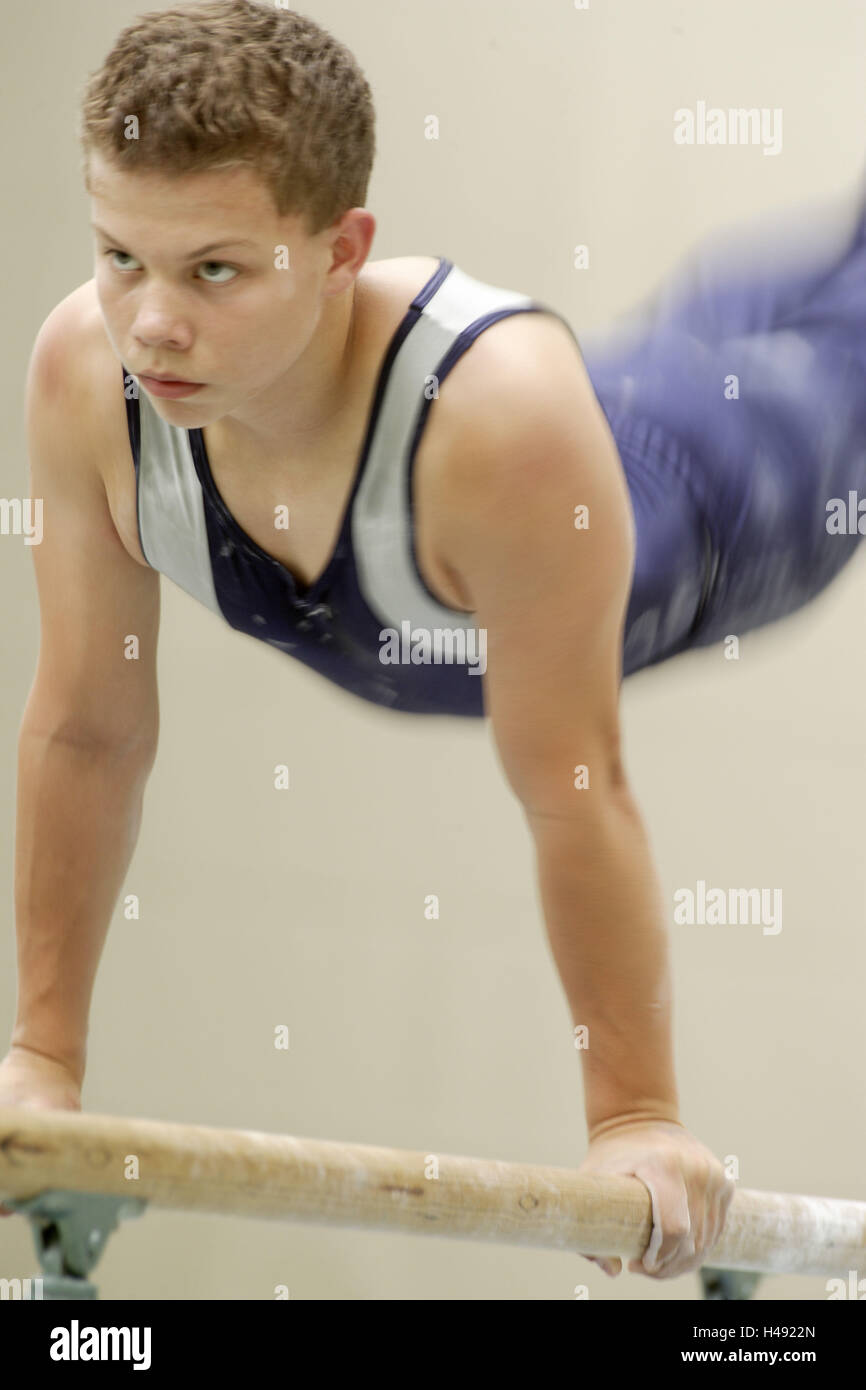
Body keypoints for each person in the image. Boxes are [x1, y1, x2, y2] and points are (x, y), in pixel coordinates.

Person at [3, 1, 864, 1288]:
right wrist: (42, 1064)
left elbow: (571, 787)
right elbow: (87, 726)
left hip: (718, 503)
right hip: (619, 398)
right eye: (120, 255)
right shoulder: (85, 373)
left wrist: (631, 1117)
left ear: (342, 247)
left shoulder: (493, 418)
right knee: (744, 303)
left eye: (214, 270)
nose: (151, 324)